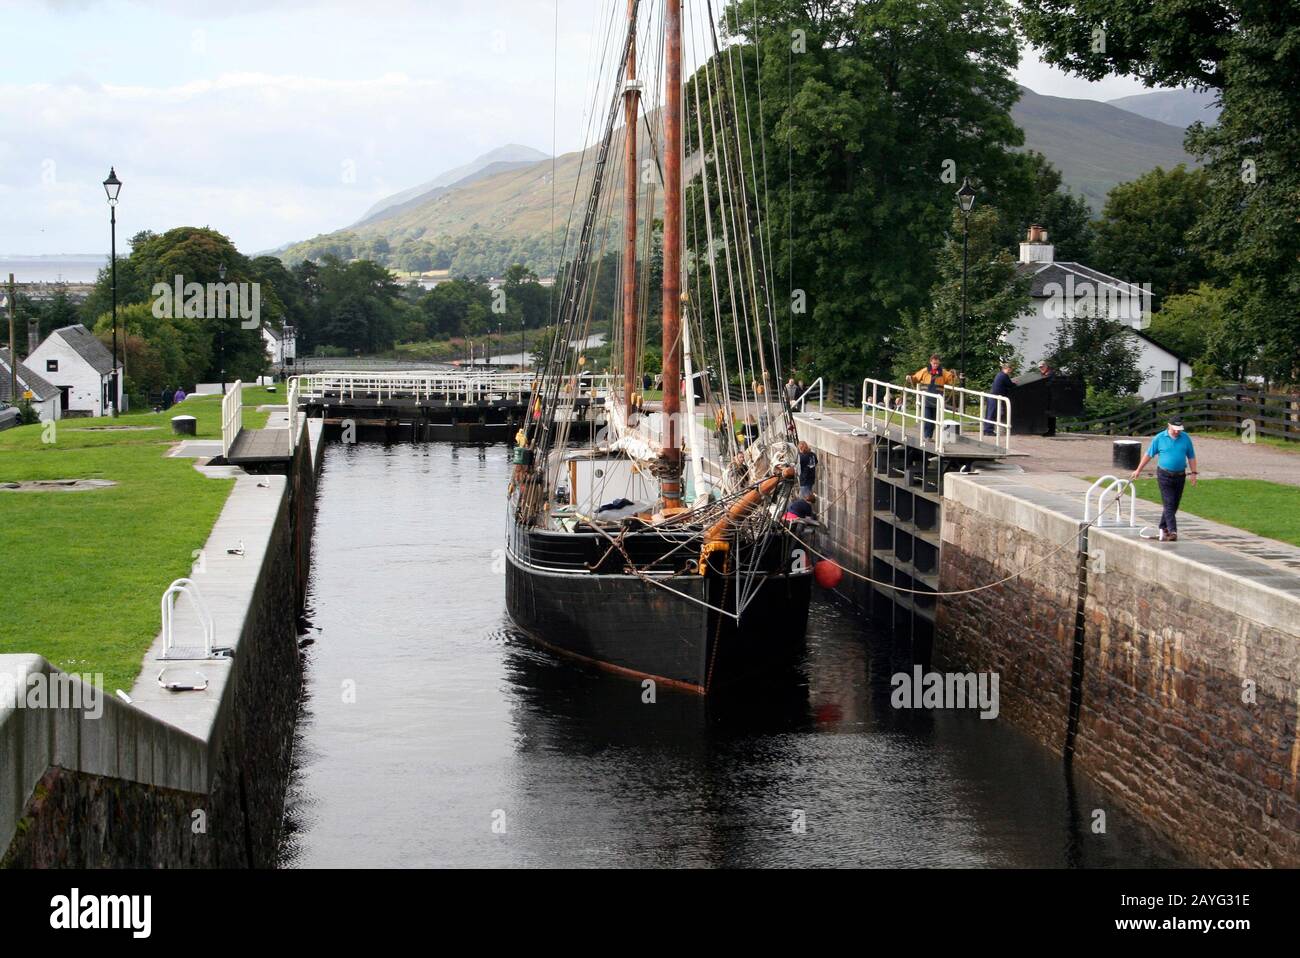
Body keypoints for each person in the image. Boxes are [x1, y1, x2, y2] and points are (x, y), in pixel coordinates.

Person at [1131, 415, 1198, 542]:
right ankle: (1172, 531)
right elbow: (1148, 454)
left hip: (1180, 475)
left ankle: (1163, 527)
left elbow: (1191, 456)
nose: (1177, 431)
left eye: (1179, 429)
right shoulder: (1159, 438)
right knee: (1169, 503)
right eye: (1175, 429)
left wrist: (1193, 473)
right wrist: (1138, 470)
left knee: (1174, 504)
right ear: (1169, 426)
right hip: (1164, 474)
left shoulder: (1186, 438)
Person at [906, 354, 957, 440]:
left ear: (939, 363)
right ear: (931, 362)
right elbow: (915, 378)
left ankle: (929, 436)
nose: (935, 365)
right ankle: (927, 436)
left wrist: (955, 376)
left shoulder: (943, 372)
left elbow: (951, 379)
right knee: (927, 418)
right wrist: (909, 378)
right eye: (934, 363)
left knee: (933, 419)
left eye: (937, 363)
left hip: (937, 400)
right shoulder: (925, 371)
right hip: (926, 399)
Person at [984, 361, 1014, 436]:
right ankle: (989, 431)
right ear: (1008, 369)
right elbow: (1010, 385)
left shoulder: (999, 374)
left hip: (992, 396)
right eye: (1011, 369)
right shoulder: (1004, 376)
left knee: (989, 413)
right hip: (995, 396)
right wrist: (1014, 383)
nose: (1011, 371)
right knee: (992, 413)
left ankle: (987, 430)